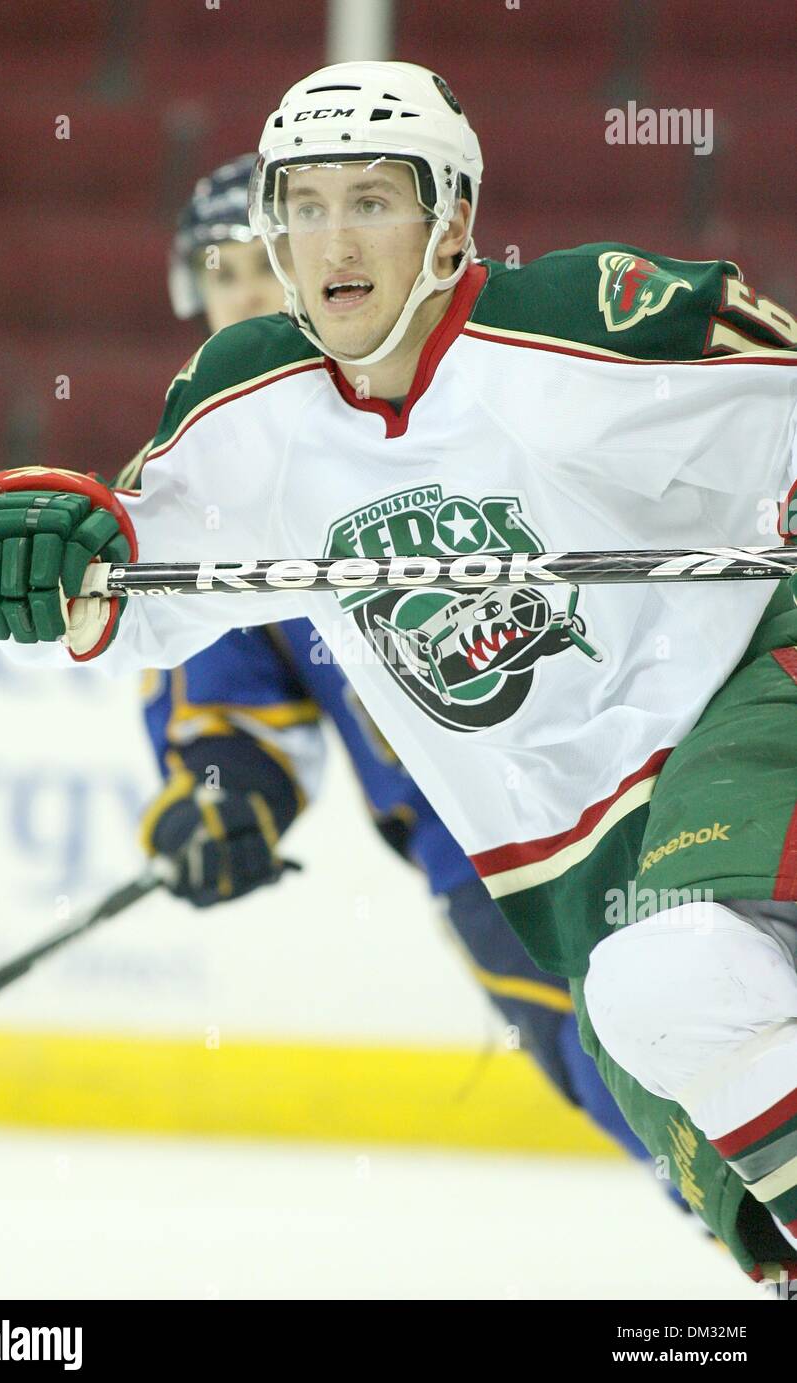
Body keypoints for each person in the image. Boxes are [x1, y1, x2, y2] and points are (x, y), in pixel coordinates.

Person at [0, 60, 797, 1285]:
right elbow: (138, 585)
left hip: (744, 702)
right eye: (301, 206)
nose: (332, 237)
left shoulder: (581, 319)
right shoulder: (248, 404)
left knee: (673, 962)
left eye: (371, 200)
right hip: (559, 870)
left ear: (450, 223)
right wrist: (61, 563)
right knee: (664, 1025)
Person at [141, 155, 653, 1157]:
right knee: (619, 1083)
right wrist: (222, 798)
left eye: (262, 261)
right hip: (471, 846)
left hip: (627, 780)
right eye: (219, 270)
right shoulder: (218, 486)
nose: (245, 291)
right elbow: (230, 709)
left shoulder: (460, 391)